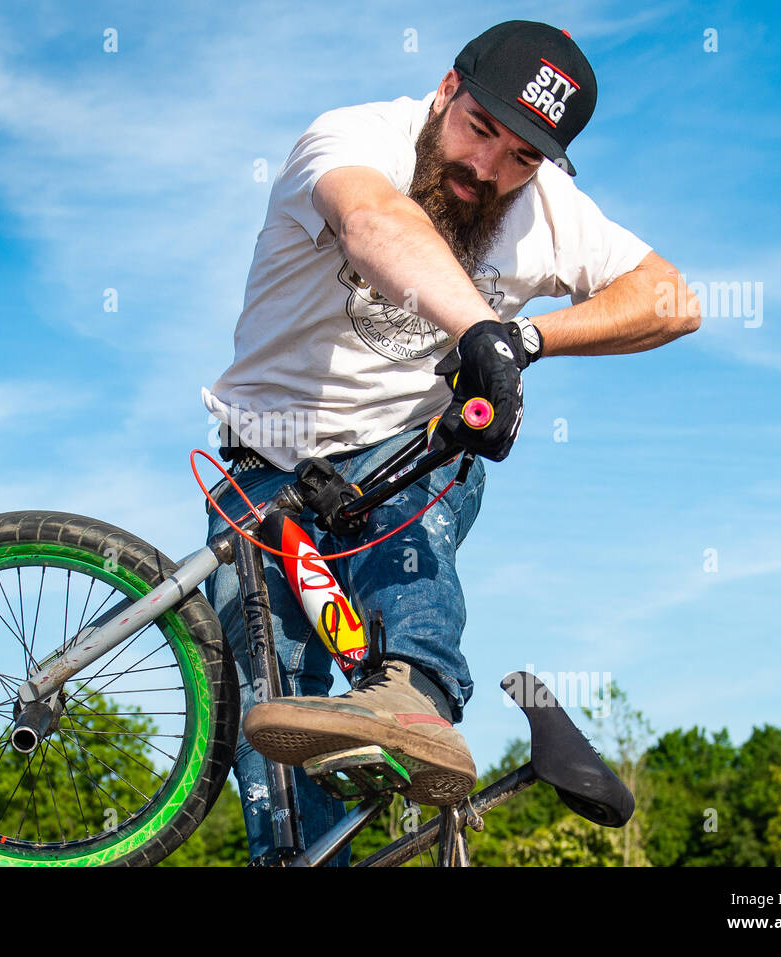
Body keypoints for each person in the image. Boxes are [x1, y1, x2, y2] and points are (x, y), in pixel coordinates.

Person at [200, 20, 700, 865]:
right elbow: (373, 221)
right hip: (264, 464)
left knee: (439, 468)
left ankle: (413, 690)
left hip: (396, 454)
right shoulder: (353, 138)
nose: (487, 170)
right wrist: (478, 326)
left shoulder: (546, 211)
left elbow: (671, 297)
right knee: (273, 719)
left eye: (521, 158)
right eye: (479, 131)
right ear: (444, 91)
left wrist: (527, 339)